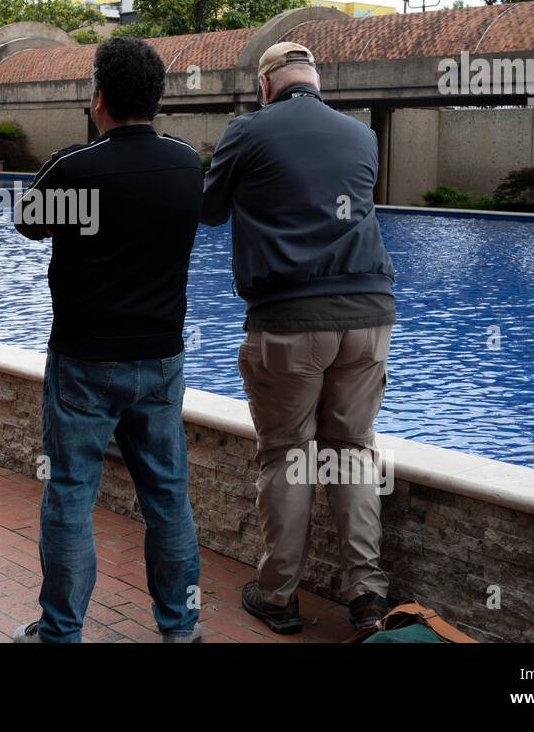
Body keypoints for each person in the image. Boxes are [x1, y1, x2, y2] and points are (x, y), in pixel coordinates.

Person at [12, 37, 204, 643]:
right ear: (158, 98)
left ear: (98, 98)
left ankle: (61, 633)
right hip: (160, 358)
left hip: (84, 361)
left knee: (70, 496)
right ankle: (180, 628)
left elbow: (28, 222)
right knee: (168, 497)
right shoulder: (186, 165)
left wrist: (81, 153)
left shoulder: (77, 168)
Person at [202, 41, 396, 635]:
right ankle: (366, 595)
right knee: (351, 451)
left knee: (288, 453)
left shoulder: (249, 130)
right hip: (369, 315)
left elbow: (208, 208)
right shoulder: (361, 135)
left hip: (289, 319)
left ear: (266, 84)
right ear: (316, 80)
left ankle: (280, 595)